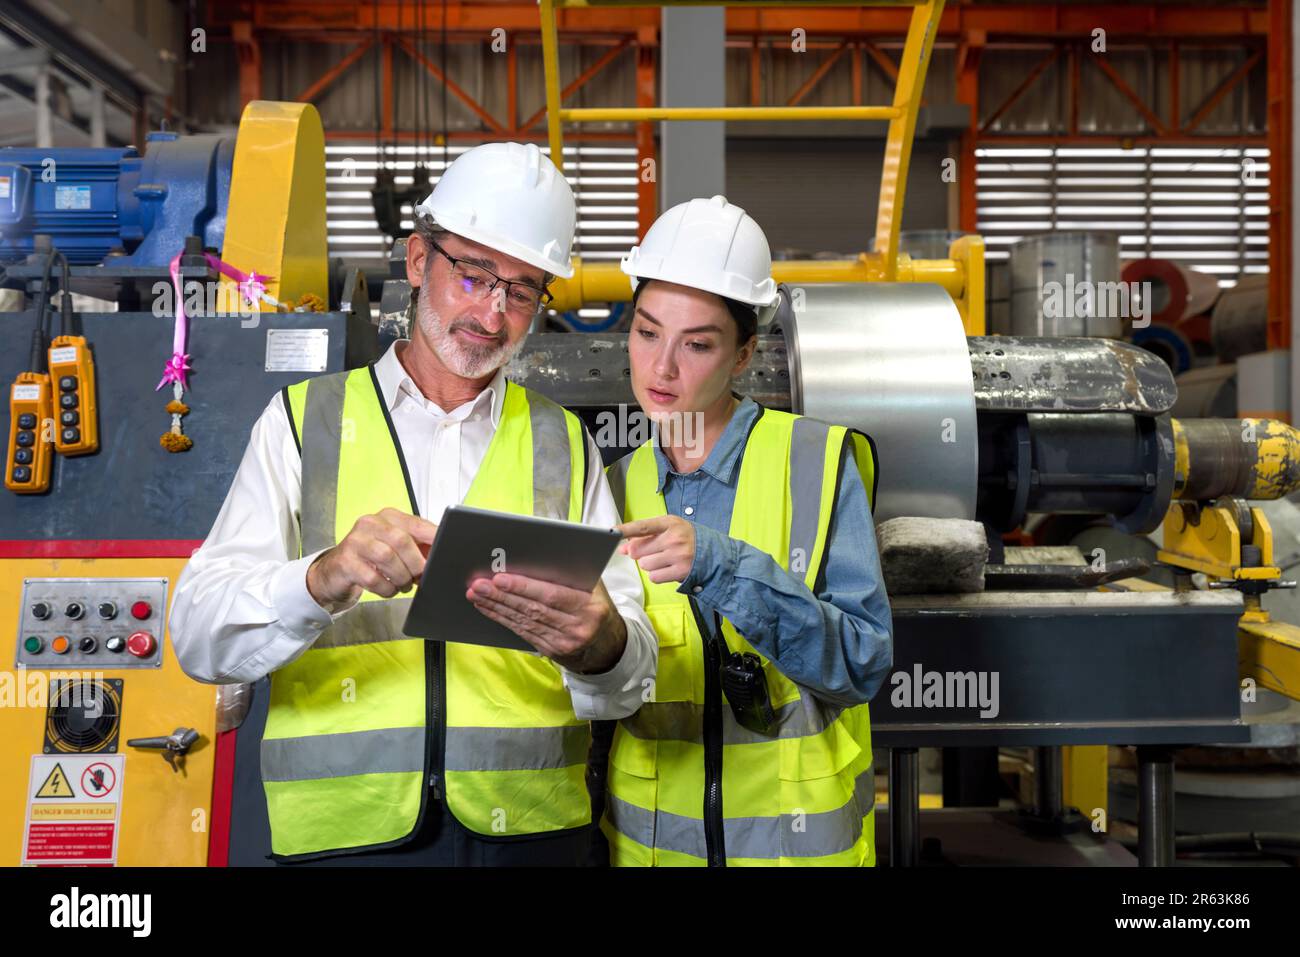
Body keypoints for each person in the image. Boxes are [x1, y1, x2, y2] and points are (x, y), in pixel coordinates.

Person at [169, 142, 656, 866]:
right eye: (473, 274)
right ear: (418, 259)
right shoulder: (305, 422)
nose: (492, 314)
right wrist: (320, 578)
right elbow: (197, 636)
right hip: (344, 840)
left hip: (530, 837)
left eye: (521, 291)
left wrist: (602, 644)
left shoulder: (564, 442)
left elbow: (631, 674)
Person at [599, 195, 892, 866]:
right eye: (647, 332)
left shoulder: (817, 464)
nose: (662, 367)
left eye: (697, 343)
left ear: (743, 354)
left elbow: (859, 663)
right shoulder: (610, 486)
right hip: (652, 852)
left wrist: (723, 565)